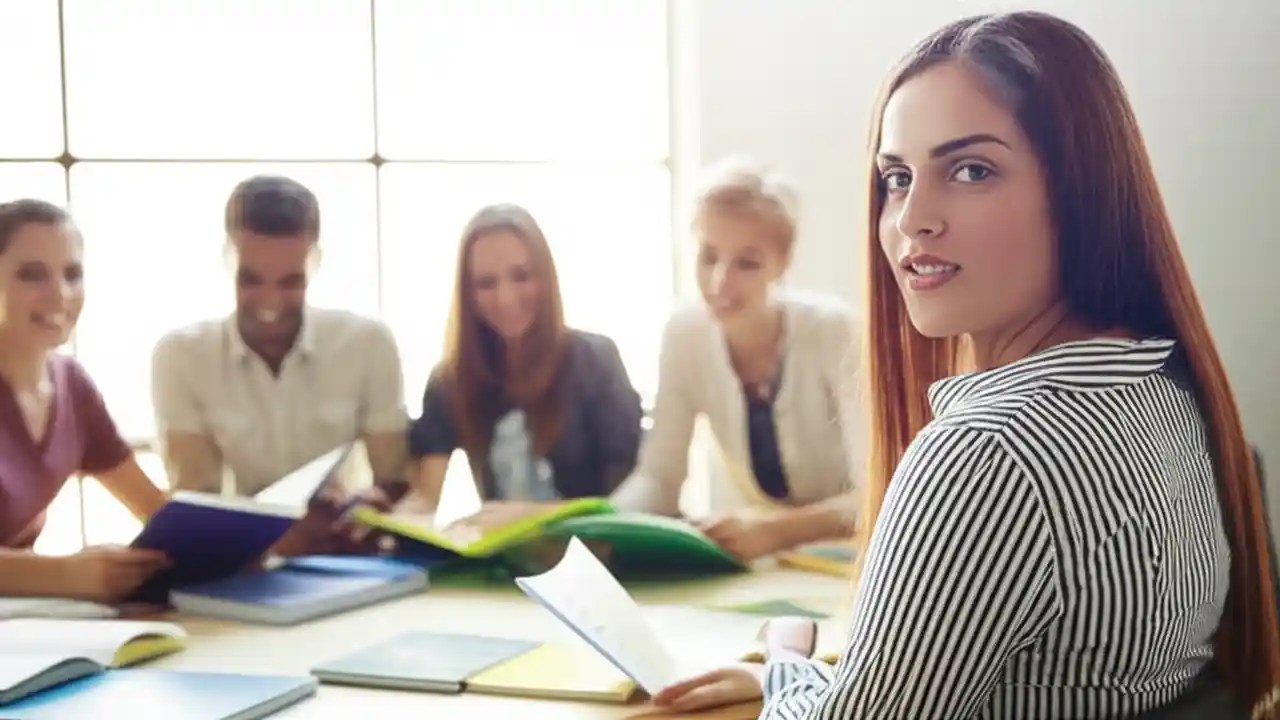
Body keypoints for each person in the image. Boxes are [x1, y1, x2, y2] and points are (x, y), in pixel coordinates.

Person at [653, 11, 1280, 719]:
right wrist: (813, 683)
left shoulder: (987, 451)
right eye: (895, 178)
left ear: (1082, 190)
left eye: (971, 170)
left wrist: (789, 665)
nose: (912, 217)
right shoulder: (1164, 393)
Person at [609, 160, 864, 562]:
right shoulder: (684, 333)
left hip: (858, 564)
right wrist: (599, 531)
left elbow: (881, 491)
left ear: (783, 263)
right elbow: (659, 478)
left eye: (746, 263)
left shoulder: (837, 332)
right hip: (768, 567)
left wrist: (777, 530)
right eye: (708, 256)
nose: (719, 282)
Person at [151, 176, 410, 550]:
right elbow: (195, 500)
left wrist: (373, 504)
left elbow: (395, 481)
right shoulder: (181, 356)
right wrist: (286, 535)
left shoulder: (369, 344)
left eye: (291, 282)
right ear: (227, 260)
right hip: (242, 559)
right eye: (250, 280)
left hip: (347, 550)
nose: (270, 302)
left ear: (315, 263)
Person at [407, 204, 643, 522]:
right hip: (505, 558)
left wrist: (521, 517)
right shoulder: (450, 380)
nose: (506, 298)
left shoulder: (595, 360)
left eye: (521, 276)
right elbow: (428, 499)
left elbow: (627, 496)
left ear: (546, 278)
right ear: (468, 294)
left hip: (596, 553)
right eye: (486, 283)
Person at [0, 199, 170, 602]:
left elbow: (153, 508)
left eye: (73, 275)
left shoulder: (71, 385)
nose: (60, 295)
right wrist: (63, 575)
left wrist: (227, 542)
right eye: (32, 275)